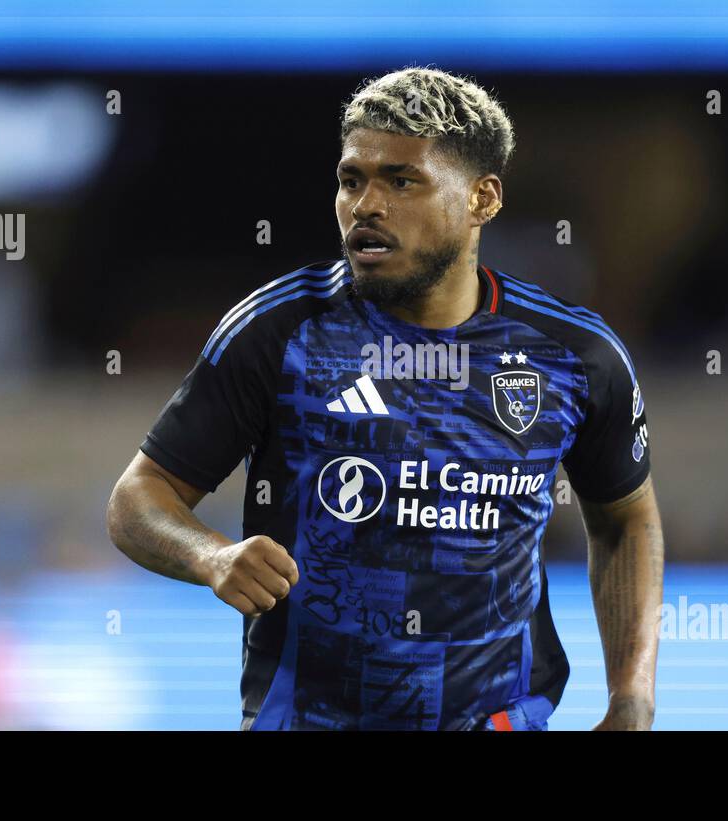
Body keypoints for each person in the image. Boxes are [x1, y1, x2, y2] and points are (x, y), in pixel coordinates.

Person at [107, 66, 664, 730]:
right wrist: (211, 556)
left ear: (482, 199)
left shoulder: (573, 354)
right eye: (352, 180)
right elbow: (138, 500)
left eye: (402, 181)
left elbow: (627, 520)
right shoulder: (279, 331)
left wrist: (630, 699)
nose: (366, 205)